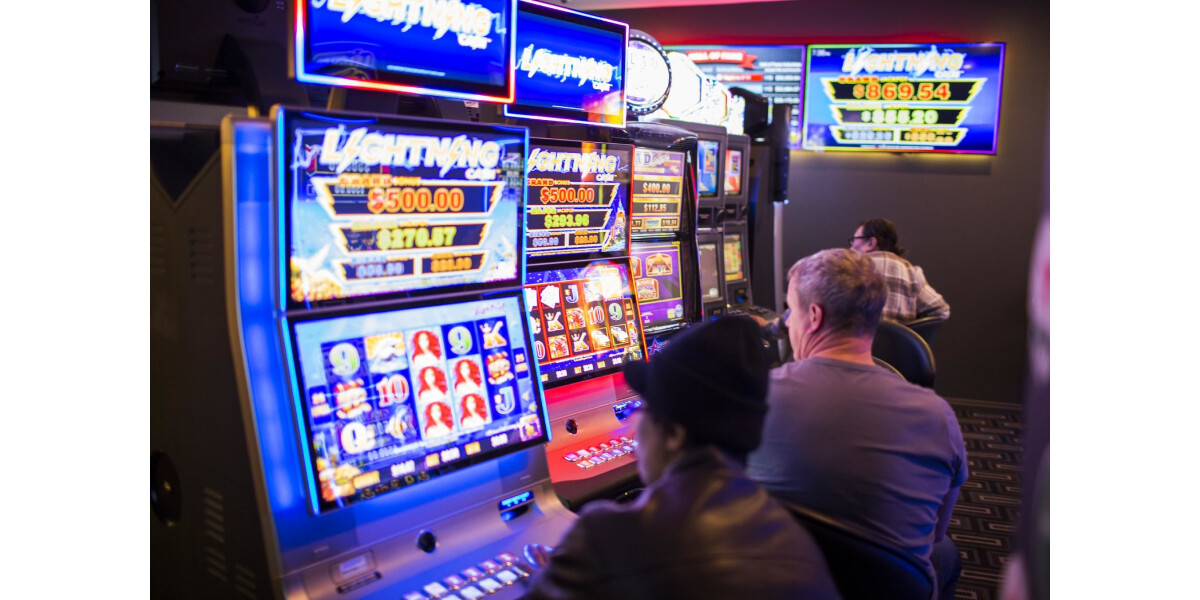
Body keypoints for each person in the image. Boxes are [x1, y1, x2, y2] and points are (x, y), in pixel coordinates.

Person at [519, 317, 839, 600]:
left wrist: (553, 578)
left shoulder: (608, 538)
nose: (632, 426)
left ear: (673, 434)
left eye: (642, 407)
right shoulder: (791, 539)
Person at [747, 248, 968, 600]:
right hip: (891, 590)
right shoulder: (938, 416)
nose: (786, 322)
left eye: (792, 309)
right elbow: (935, 532)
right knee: (947, 553)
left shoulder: (753, 399)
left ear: (814, 316)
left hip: (778, 582)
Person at [849, 218, 950, 323]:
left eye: (854, 240)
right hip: (897, 340)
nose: (851, 247)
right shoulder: (913, 273)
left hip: (855, 338)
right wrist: (908, 332)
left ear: (871, 243)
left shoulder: (849, 267)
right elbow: (941, 311)